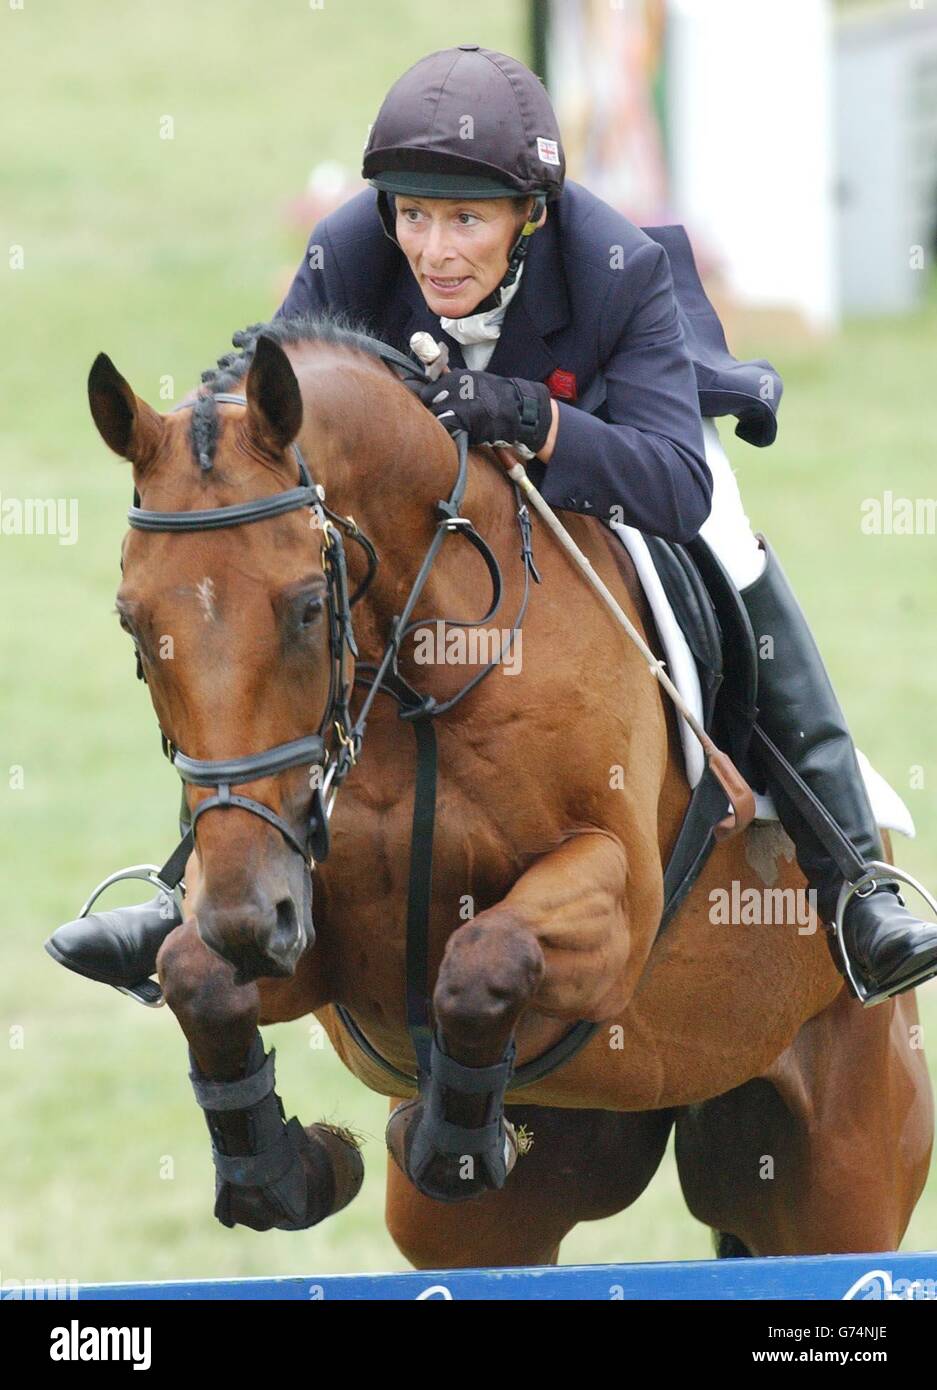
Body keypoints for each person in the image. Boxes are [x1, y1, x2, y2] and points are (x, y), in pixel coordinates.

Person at [48, 44, 937, 1008]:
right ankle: (184, 870)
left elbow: (675, 482)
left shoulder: (613, 268)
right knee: (259, 606)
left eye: (466, 219)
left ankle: (855, 886)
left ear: (530, 215)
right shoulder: (351, 245)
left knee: (729, 534)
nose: (432, 250)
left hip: (612, 451)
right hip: (427, 509)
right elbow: (261, 414)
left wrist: (533, 418)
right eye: (415, 216)